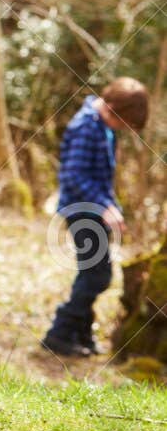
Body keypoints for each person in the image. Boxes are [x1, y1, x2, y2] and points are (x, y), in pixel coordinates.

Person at [40, 77, 149, 359]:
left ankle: (81, 334)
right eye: (123, 123)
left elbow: (101, 177)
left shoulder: (103, 126)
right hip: (82, 212)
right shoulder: (86, 127)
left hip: (96, 212)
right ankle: (59, 332)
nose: (123, 130)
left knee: (92, 273)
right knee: (97, 276)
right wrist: (103, 206)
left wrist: (112, 206)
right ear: (112, 108)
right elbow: (74, 176)